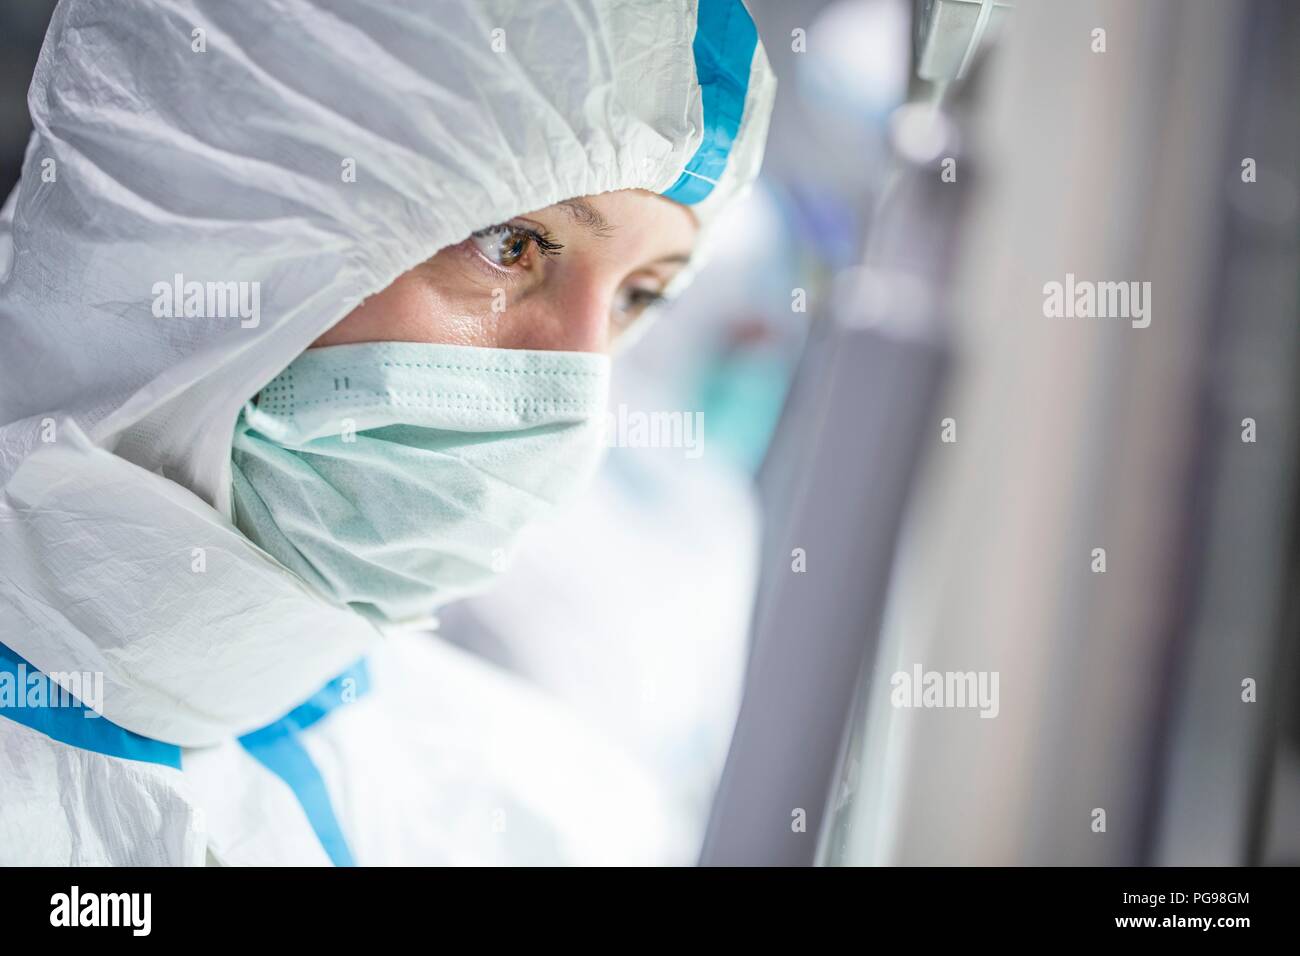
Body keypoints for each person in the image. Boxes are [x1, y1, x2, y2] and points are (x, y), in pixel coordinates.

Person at [0, 0, 774, 864]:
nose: (576, 396)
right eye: (511, 242)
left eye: (638, 296)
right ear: (210, 215)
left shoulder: (540, 811)